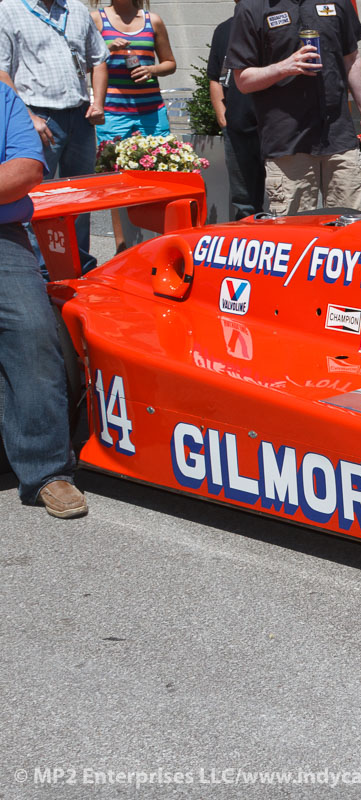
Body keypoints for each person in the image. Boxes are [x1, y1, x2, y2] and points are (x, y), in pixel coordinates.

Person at [0, 81, 87, 518]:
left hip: (2, 235)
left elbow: (27, 169)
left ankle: (46, 473)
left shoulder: (2, 96)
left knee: (32, 331)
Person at [227, 0, 361, 215]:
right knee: (293, 234)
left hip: (339, 139)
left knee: (355, 226)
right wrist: (284, 67)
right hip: (287, 144)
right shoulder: (252, 7)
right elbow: (242, 80)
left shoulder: (338, 2)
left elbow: (352, 59)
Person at [0, 0, 108, 272]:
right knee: (33, 196)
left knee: (80, 197)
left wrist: (98, 102)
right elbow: (1, 70)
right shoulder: (8, 9)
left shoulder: (77, 10)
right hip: (35, 116)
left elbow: (99, 60)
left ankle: (77, 266)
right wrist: (26, 116)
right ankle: (36, 270)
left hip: (81, 116)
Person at [90, 0, 175, 251]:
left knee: (160, 177)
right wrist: (107, 47)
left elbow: (170, 62)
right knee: (117, 182)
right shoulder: (97, 19)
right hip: (115, 114)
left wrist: (152, 69)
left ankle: (159, 243)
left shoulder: (153, 20)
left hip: (151, 112)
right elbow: (84, 60)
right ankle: (122, 247)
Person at [207, 0, 264, 219]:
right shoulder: (224, 30)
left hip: (273, 128)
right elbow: (214, 77)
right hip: (236, 128)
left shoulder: (272, 23)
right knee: (244, 201)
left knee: (280, 197)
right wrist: (223, 118)